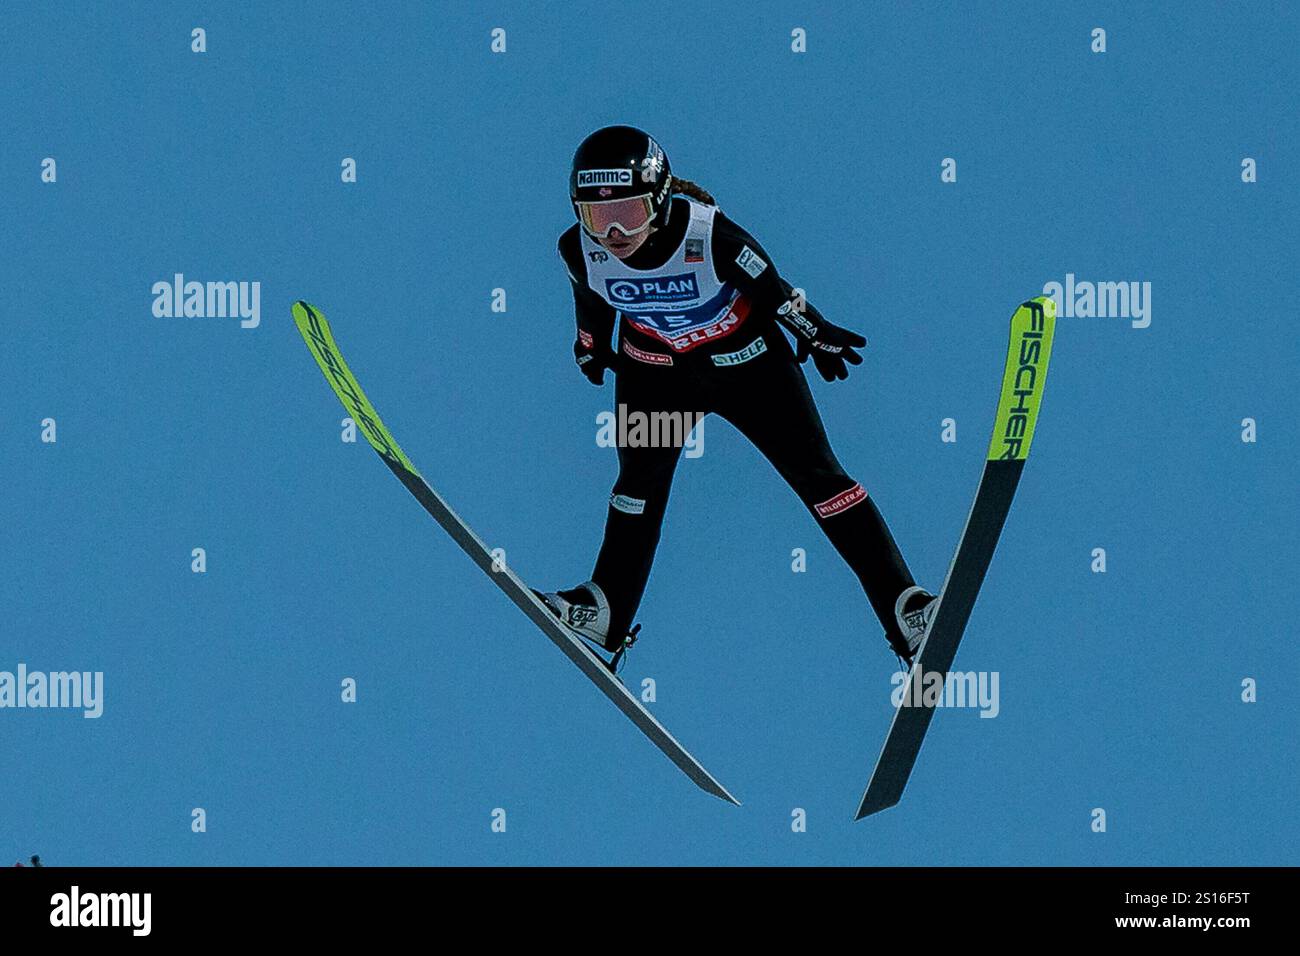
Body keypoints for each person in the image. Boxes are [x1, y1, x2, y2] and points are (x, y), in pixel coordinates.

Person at [539, 125, 937, 671]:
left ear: (659, 197)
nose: (611, 232)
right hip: (657, 377)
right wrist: (589, 345)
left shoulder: (712, 239)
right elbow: (591, 294)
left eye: (627, 213)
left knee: (821, 480)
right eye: (593, 215)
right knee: (638, 487)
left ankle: (905, 611)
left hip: (748, 369)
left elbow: (776, 294)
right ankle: (607, 608)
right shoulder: (577, 248)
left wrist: (814, 332)